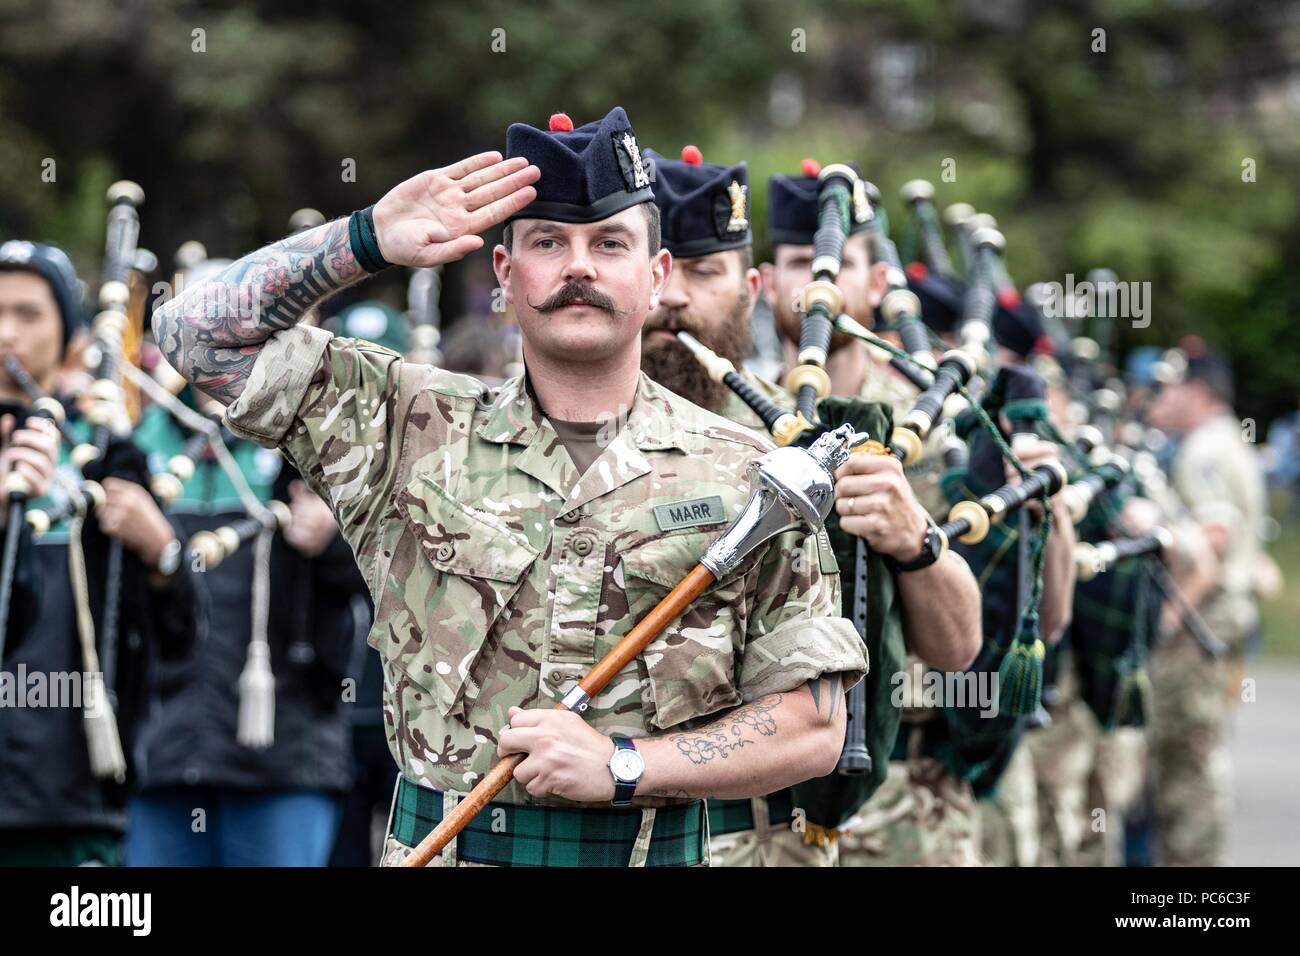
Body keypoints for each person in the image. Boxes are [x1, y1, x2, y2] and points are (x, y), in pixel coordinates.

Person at [152, 107, 868, 868]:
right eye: (549, 242)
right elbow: (192, 336)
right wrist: (363, 240)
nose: (580, 267)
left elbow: (815, 725)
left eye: (611, 243)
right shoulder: (405, 423)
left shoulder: (747, 470)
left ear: (657, 277)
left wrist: (626, 767)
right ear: (504, 275)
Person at [124, 262, 367, 868]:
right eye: (198, 327)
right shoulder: (136, 444)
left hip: (284, 758)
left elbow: (397, 590)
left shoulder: (326, 438)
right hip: (160, 753)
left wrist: (335, 542)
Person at [0, 239, 196, 866]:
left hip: (78, 802)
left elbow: (184, 635)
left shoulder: (112, 455)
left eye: (29, 314)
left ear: (69, 334)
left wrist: (161, 547)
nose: (6, 333)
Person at [1145, 347, 1266, 866]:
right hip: (1219, 619)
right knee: (1198, 752)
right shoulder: (1225, 441)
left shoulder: (1205, 450)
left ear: (1196, 391)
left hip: (1202, 623)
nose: (1162, 399)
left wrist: (1169, 617)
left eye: (1170, 388)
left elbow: (1213, 537)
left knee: (1187, 761)